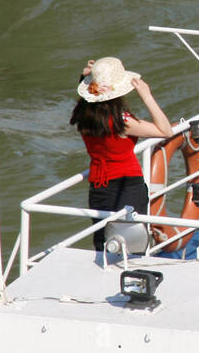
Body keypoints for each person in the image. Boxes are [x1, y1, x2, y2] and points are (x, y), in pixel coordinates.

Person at [71, 57, 173, 252]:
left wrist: (85, 77)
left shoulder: (84, 115)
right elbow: (165, 131)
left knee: (104, 245)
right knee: (132, 245)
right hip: (127, 187)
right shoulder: (122, 121)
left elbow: (86, 99)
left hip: (98, 189)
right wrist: (147, 96)